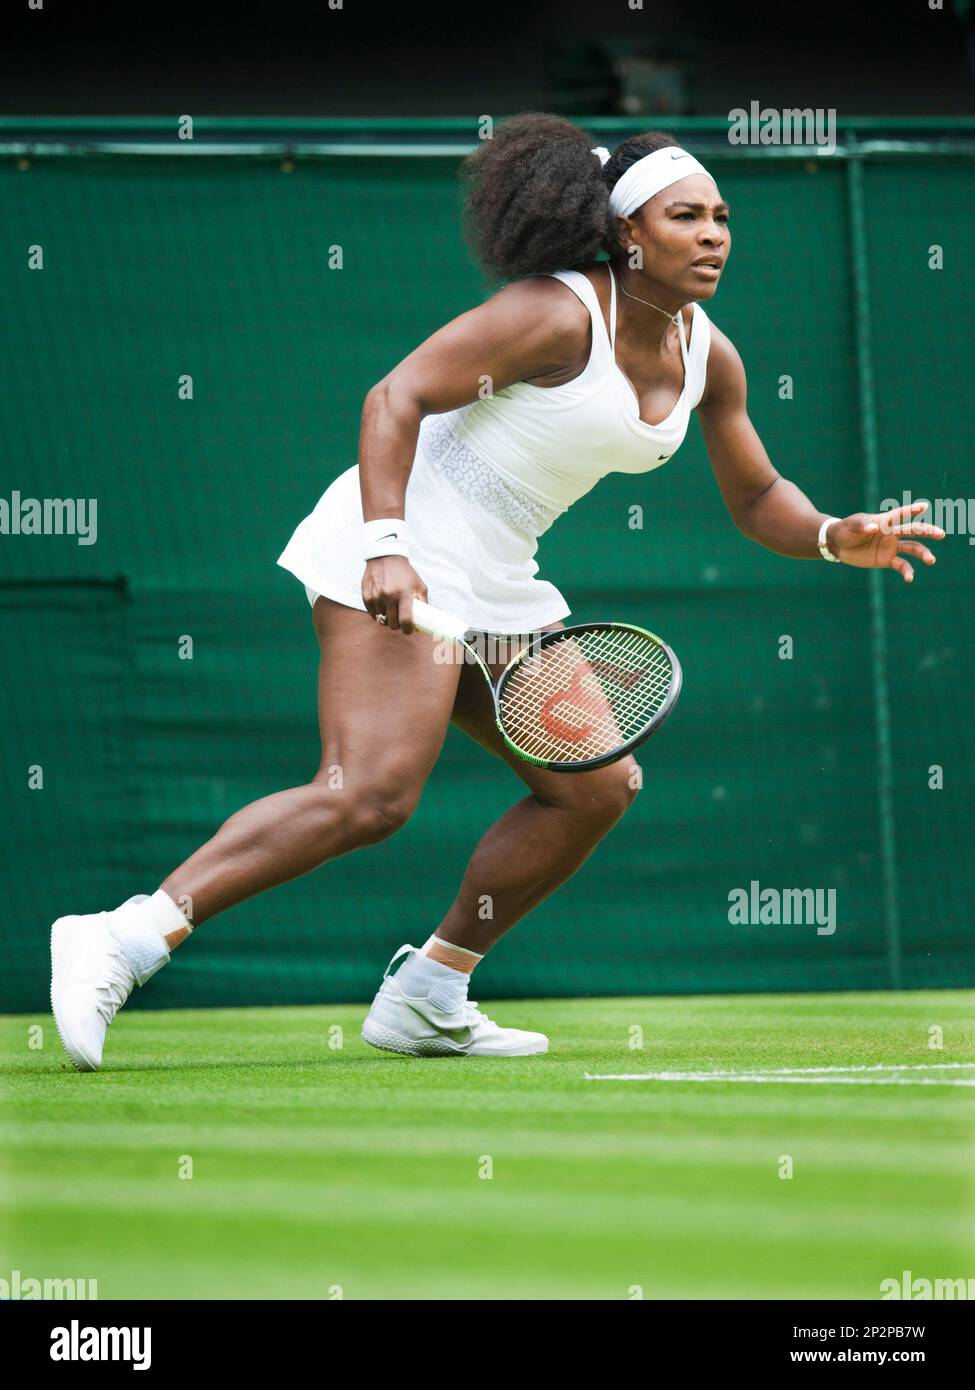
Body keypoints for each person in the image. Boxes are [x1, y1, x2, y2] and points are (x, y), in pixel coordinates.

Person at [50, 114, 944, 1070]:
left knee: (594, 788)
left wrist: (829, 535)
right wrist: (387, 544)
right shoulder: (554, 314)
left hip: (499, 575)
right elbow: (395, 397)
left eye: (722, 216)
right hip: (399, 537)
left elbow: (757, 493)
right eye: (687, 216)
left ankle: (430, 989)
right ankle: (123, 936)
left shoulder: (706, 356)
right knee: (370, 795)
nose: (715, 234)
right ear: (629, 233)